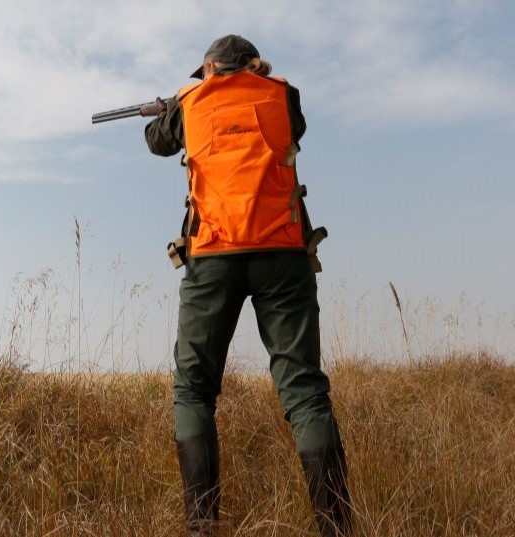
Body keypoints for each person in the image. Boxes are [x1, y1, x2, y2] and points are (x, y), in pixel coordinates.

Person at [143, 35, 353, 536]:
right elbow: (293, 128)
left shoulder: (191, 103)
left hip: (213, 255)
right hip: (282, 251)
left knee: (194, 389)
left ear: (210, 66)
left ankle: (202, 529)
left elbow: (156, 141)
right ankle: (337, 528)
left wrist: (174, 105)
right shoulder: (284, 94)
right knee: (304, 390)